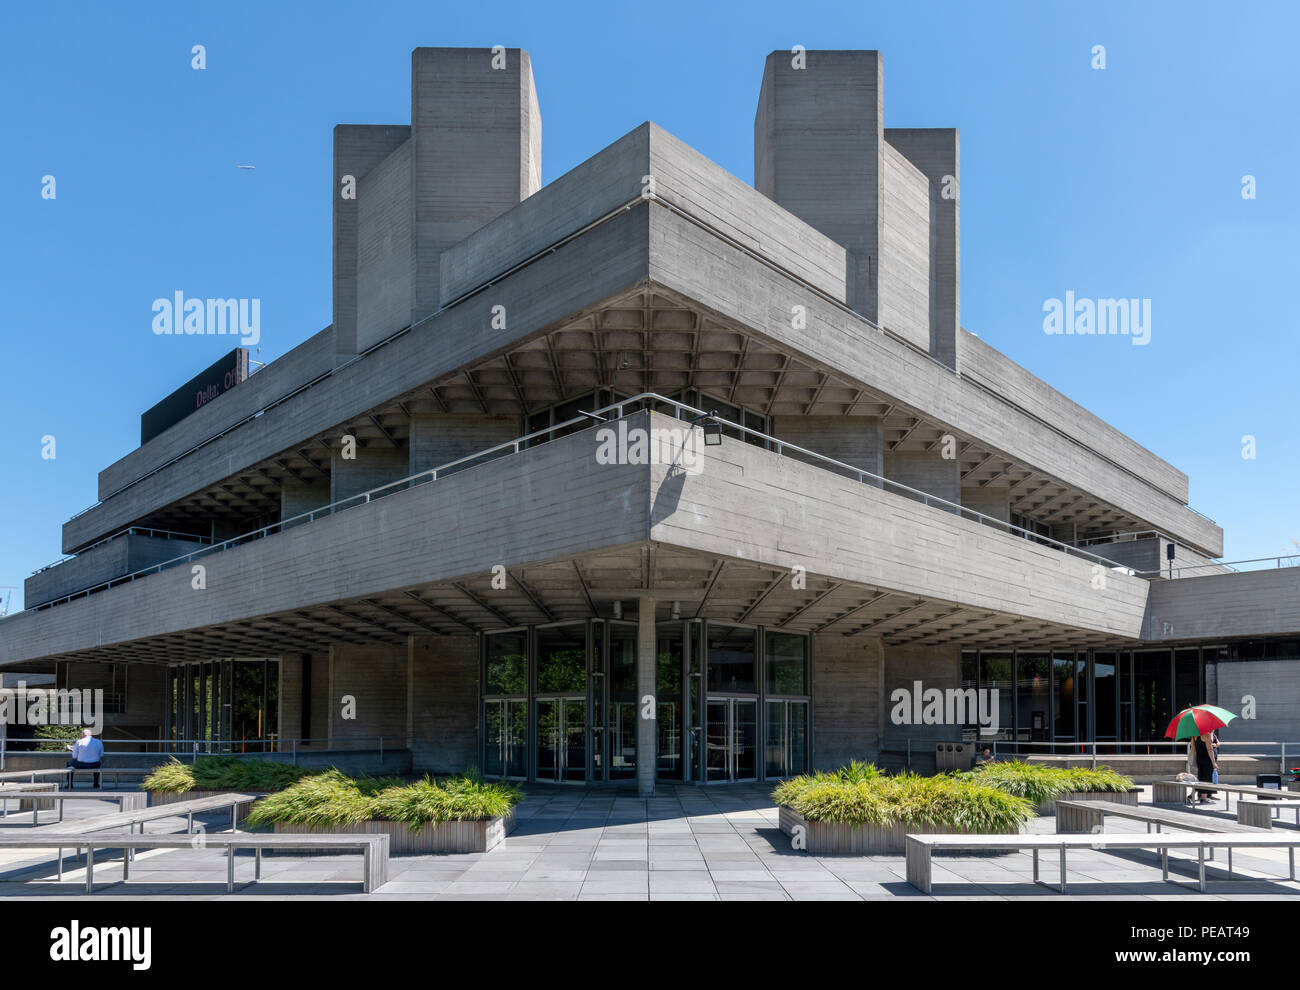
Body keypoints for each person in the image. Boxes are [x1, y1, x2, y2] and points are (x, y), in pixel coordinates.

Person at [1192, 731, 1218, 804]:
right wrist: (1213, 762)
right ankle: (1204, 798)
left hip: (1199, 758)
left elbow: (1193, 747)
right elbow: (1209, 749)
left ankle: (1196, 796)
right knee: (1207, 777)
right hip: (1207, 759)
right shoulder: (1207, 734)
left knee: (1201, 777)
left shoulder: (1194, 735)